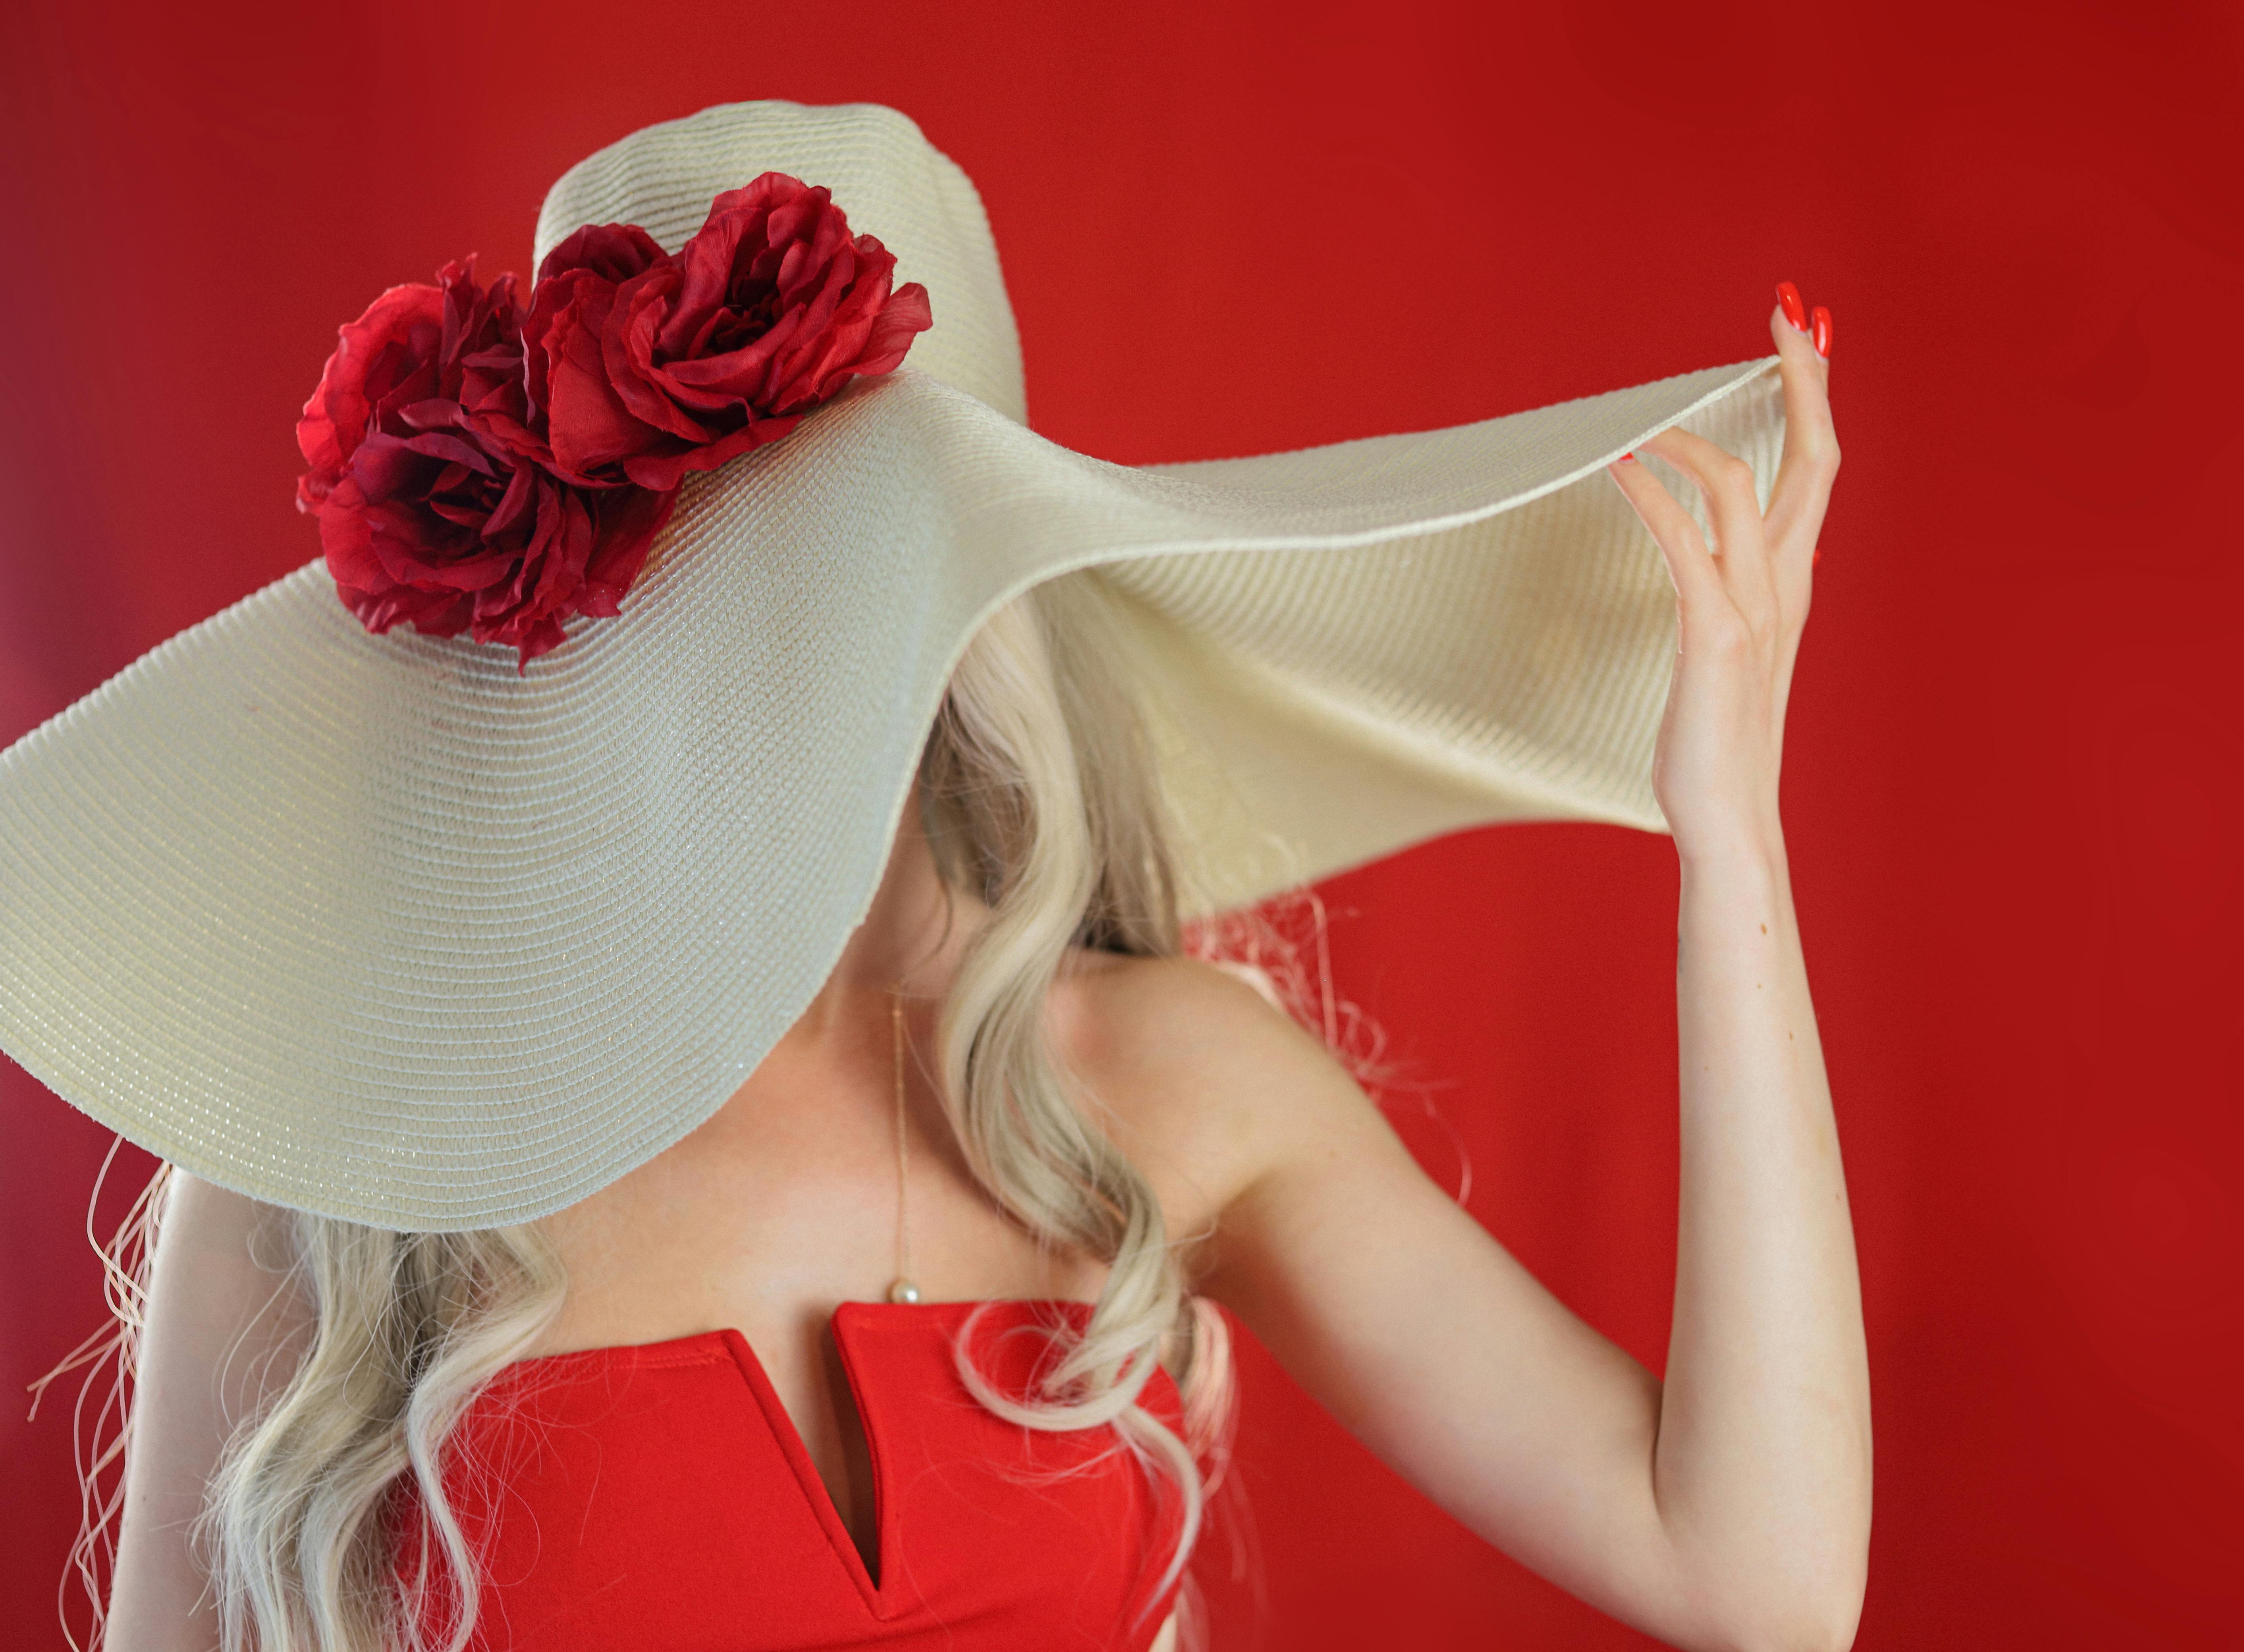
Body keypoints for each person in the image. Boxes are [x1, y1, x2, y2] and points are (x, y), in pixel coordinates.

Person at [10, 101, 1865, 1651]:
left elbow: (1751, 1573)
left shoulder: (1154, 1079)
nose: (767, 682)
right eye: (702, 603)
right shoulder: (343, 1171)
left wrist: (1732, 846)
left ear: (966, 617)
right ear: (562, 616)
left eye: (840, 596)